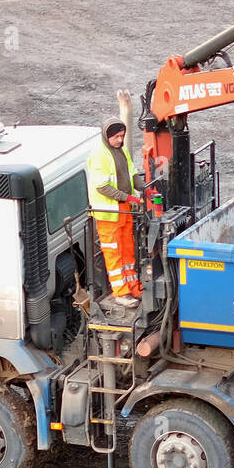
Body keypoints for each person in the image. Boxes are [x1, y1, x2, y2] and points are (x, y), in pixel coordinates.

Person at [88, 89, 144, 307]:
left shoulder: (121, 151)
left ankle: (133, 287)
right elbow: (102, 186)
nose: (120, 140)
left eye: (122, 136)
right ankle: (121, 293)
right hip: (109, 214)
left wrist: (144, 188)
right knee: (114, 255)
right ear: (107, 136)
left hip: (123, 211)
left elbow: (131, 173)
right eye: (116, 137)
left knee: (128, 250)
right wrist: (127, 198)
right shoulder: (99, 155)